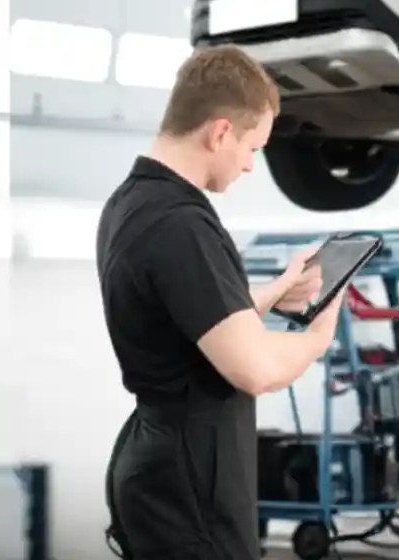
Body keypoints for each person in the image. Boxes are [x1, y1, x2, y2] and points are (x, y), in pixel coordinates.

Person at [95, 45, 343, 559]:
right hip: (192, 490)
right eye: (253, 148)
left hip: (158, 465)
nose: (251, 166)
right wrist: (317, 339)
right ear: (220, 132)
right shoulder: (182, 224)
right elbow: (253, 369)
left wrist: (274, 291)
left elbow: (194, 314)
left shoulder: (130, 203)